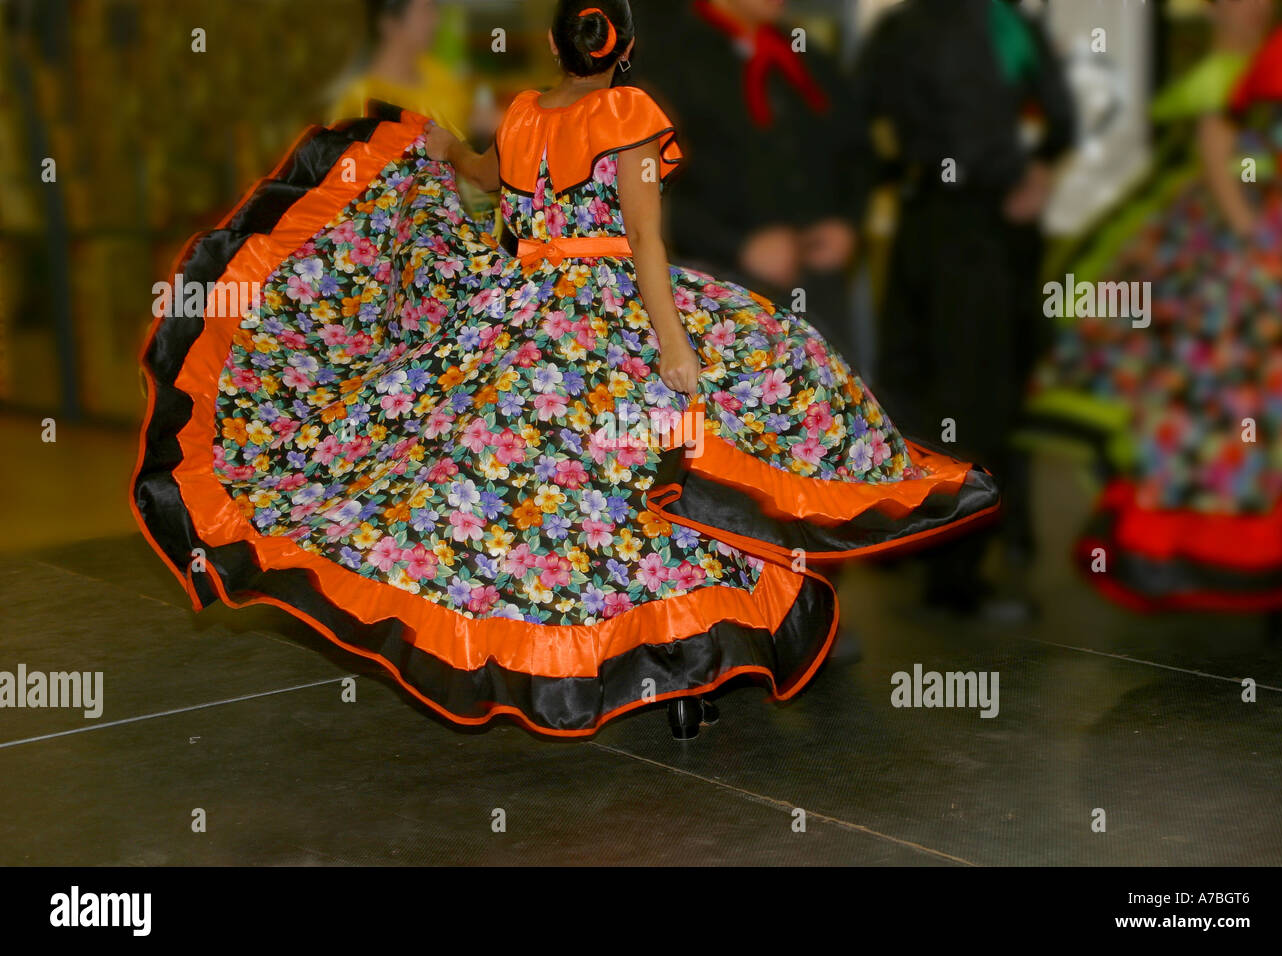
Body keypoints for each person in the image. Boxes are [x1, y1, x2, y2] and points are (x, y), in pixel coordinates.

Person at [132, 0, 997, 741]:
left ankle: (598, 651)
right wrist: (674, 345)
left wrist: (442, 149)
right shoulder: (628, 113)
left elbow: (490, 182)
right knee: (676, 454)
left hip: (522, 313)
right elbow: (645, 242)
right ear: (626, 47)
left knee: (537, 487)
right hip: (614, 310)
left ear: (554, 45)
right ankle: (685, 660)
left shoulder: (521, 113)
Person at [1028, 5, 1282, 615]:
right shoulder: (1272, 59)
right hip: (1258, 256)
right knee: (1243, 398)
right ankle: (1238, 555)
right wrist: (1251, 233)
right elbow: (1219, 139)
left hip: (1263, 248)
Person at [855, 0, 1076, 618]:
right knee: (981, 394)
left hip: (921, 221)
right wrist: (1033, 171)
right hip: (984, 226)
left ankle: (916, 540)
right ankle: (960, 569)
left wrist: (897, 173)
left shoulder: (903, 27)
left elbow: (854, 122)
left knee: (915, 385)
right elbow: (1060, 118)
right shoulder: (1005, 23)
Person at [633, 0, 870, 377]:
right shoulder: (668, 59)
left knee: (834, 400)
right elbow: (644, 190)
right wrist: (737, 246)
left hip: (818, 284)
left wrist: (846, 222)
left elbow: (855, 153)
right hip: (719, 290)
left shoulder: (802, 53)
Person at [329, 0, 500, 237]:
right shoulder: (361, 100)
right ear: (389, 22)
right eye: (425, 10)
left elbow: (468, 132)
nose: (435, 20)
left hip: (465, 218)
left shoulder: (440, 78)